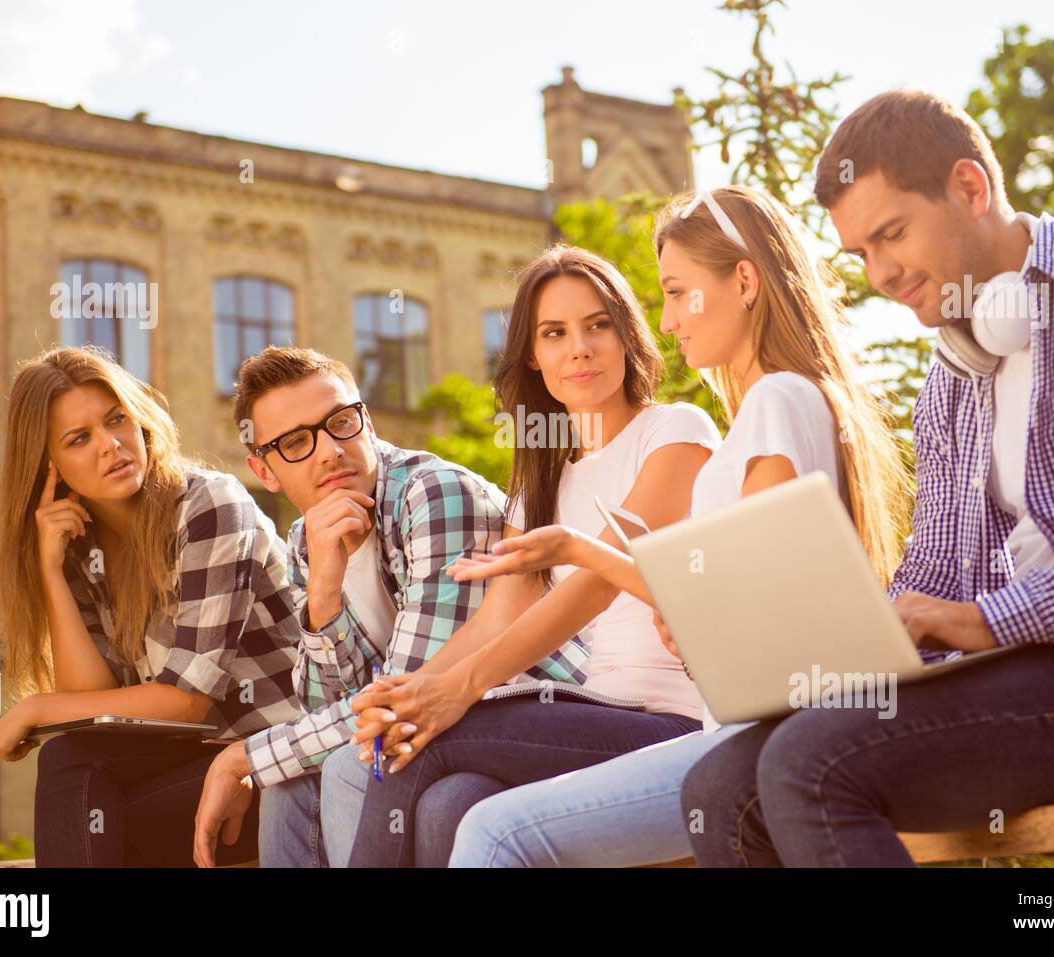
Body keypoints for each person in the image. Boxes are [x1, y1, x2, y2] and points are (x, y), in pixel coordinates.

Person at [681, 88, 1054, 867]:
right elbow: (934, 569)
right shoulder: (954, 372)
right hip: (1014, 675)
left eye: (891, 235)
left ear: (969, 187)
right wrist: (848, 641)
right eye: (860, 253)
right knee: (718, 789)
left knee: (808, 764)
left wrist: (996, 618)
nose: (881, 272)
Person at [384, 184, 910, 867]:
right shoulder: (777, 405)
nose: (666, 321)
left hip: (741, 738)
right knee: (466, 807)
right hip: (739, 733)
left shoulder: (772, 402)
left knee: (489, 826)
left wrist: (586, 555)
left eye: (676, 292)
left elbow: (758, 611)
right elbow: (735, 605)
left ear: (743, 281)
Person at [326, 246, 721, 867]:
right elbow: (495, 619)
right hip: (596, 713)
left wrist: (459, 691)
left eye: (598, 325)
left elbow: (599, 578)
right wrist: (409, 693)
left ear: (627, 335)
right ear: (533, 358)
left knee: (419, 748)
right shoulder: (538, 482)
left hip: (676, 722)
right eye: (555, 334)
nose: (580, 349)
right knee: (448, 800)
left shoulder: (675, 431)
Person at [190, 345, 590, 866]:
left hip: (533, 720)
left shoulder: (436, 496)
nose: (329, 451)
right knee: (290, 790)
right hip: (434, 740)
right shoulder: (307, 538)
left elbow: (404, 698)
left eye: (340, 422)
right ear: (263, 471)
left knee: (376, 780)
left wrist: (242, 758)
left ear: (368, 422)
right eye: (295, 443)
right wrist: (324, 596)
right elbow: (322, 709)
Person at [0, 345, 302, 867]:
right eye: (79, 439)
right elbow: (97, 709)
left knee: (95, 819)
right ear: (49, 466)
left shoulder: (208, 506)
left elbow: (184, 702)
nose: (111, 446)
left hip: (279, 758)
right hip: (197, 763)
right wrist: (50, 573)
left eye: (117, 420)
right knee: (79, 778)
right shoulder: (79, 547)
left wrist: (37, 708)